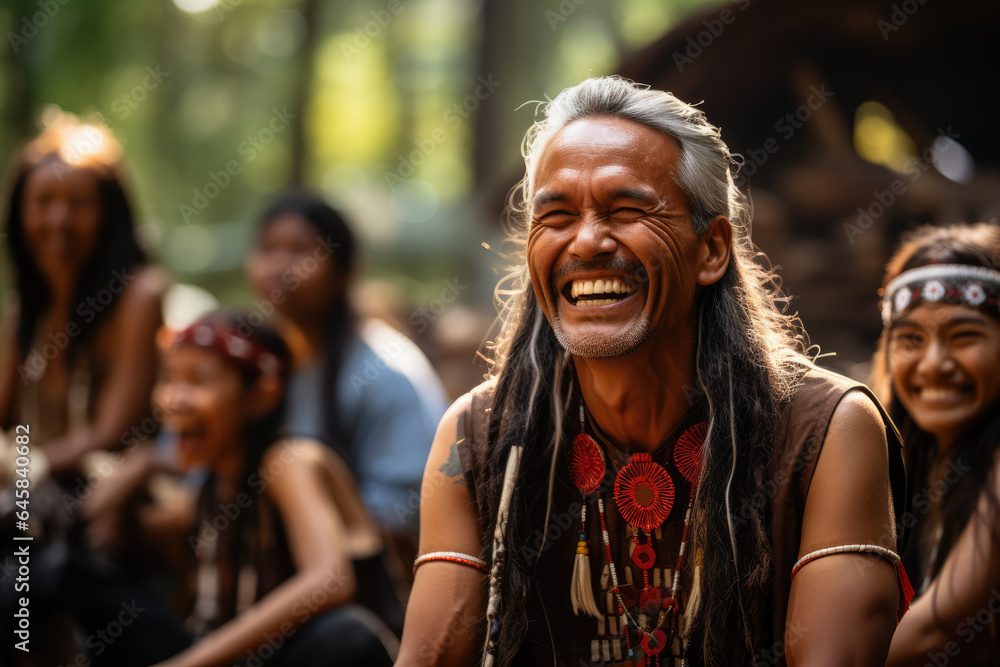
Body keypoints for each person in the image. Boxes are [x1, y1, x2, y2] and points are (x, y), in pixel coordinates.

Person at [397, 76, 911, 667]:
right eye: (557, 215)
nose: (586, 241)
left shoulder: (826, 430)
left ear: (712, 250)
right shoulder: (479, 436)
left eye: (627, 209)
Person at [80, 311, 399, 666]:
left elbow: (330, 581)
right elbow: (125, 538)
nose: (173, 399)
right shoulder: (209, 488)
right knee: (74, 575)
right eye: (170, 378)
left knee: (343, 635)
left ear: (263, 394)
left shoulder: (289, 462)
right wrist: (136, 466)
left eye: (197, 381)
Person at [244, 192, 448, 577]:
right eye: (267, 248)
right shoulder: (266, 365)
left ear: (345, 270)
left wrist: (296, 517)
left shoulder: (385, 371)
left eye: (299, 249)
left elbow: (407, 510)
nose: (278, 265)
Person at [872, 224, 1000, 666]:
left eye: (964, 336)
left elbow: (936, 625)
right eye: (910, 339)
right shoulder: (893, 460)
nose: (935, 364)